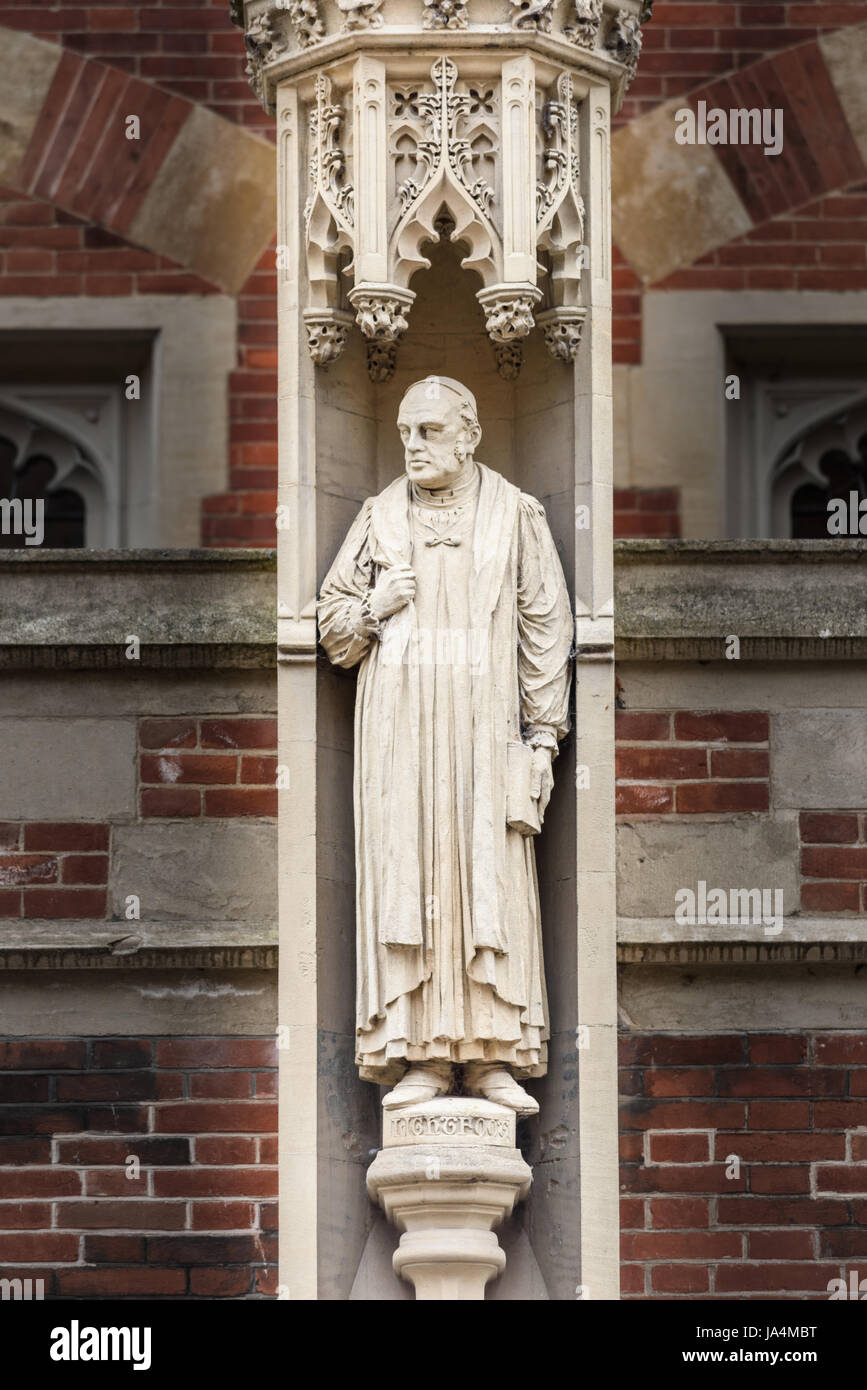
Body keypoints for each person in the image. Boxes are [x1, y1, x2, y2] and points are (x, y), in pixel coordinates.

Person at [317, 376, 572, 1116]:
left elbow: (544, 634)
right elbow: (332, 633)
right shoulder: (378, 517)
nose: (414, 446)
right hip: (399, 731)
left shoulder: (514, 514)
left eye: (429, 432)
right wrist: (373, 605)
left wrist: (542, 740)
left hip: (483, 725)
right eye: (404, 434)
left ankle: (491, 1054)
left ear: (469, 435)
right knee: (412, 871)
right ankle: (419, 1055)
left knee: (485, 873)